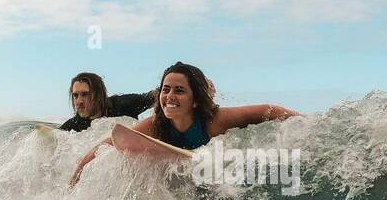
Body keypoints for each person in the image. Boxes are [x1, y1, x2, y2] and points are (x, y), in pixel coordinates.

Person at [69, 62, 297, 185]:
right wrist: (79, 169)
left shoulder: (215, 121)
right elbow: (109, 142)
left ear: (195, 99)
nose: (169, 96)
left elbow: (269, 110)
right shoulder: (155, 125)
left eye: (179, 91)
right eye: (165, 90)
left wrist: (304, 124)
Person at [59, 72, 155, 131]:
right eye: (75, 95)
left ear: (99, 94)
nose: (79, 101)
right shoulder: (72, 127)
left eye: (85, 95)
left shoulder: (122, 105)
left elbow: (153, 97)